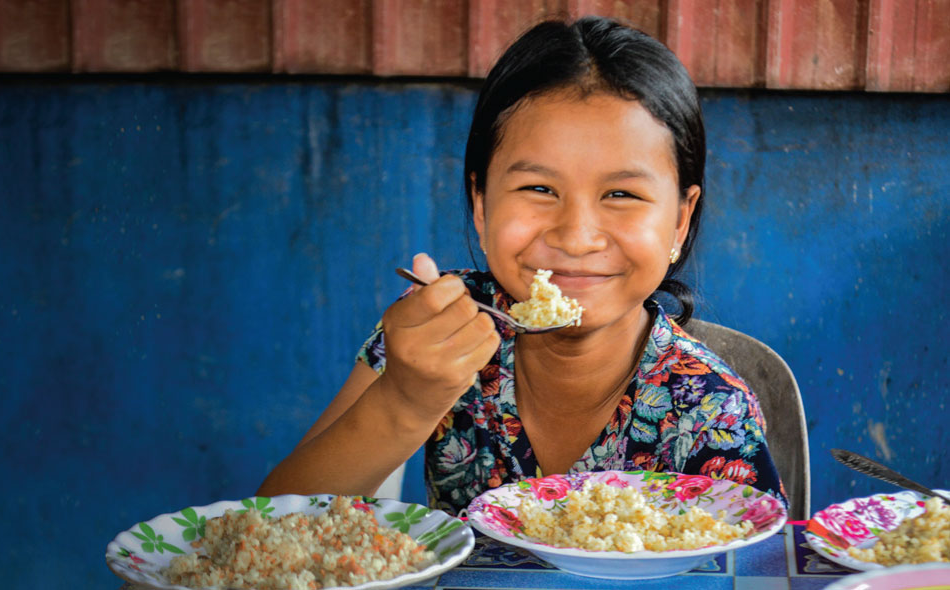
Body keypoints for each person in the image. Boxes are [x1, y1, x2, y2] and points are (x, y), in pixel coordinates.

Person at [257, 16, 785, 515]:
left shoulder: (709, 414)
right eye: (538, 188)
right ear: (482, 205)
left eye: (621, 193)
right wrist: (404, 400)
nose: (576, 237)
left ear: (679, 222)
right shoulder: (439, 335)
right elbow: (268, 539)